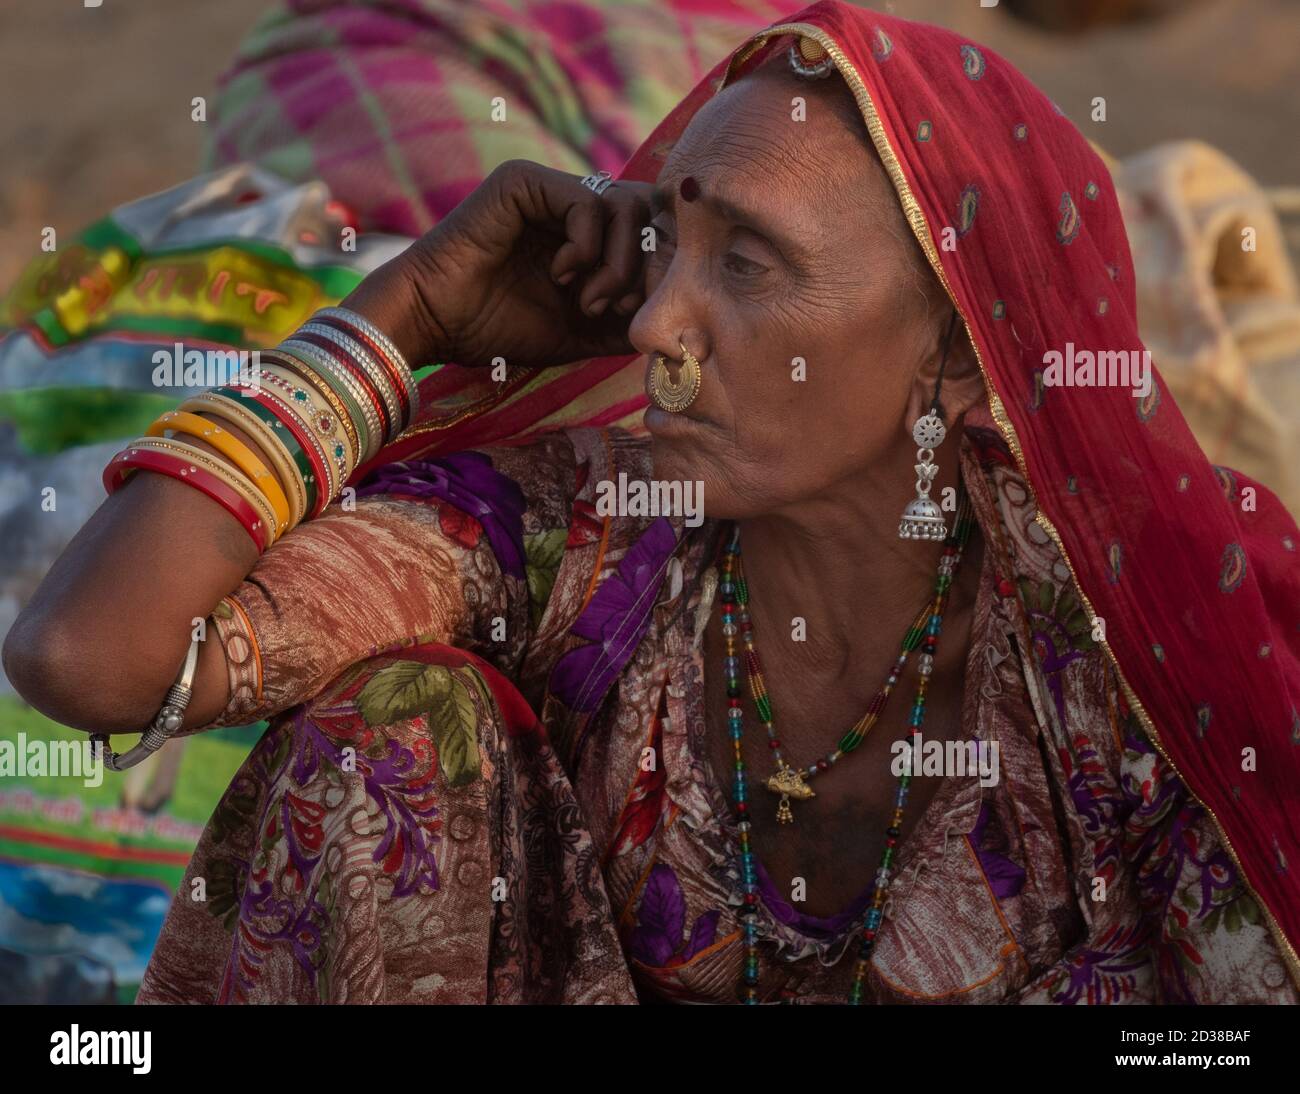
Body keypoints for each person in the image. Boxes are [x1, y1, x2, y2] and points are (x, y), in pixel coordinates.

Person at [5, 0, 1298, 1004]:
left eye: (748, 263)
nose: (660, 322)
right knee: (399, 724)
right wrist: (409, 311)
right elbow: (89, 654)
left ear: (959, 358)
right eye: (671, 240)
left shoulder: (1119, 664)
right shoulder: (589, 537)